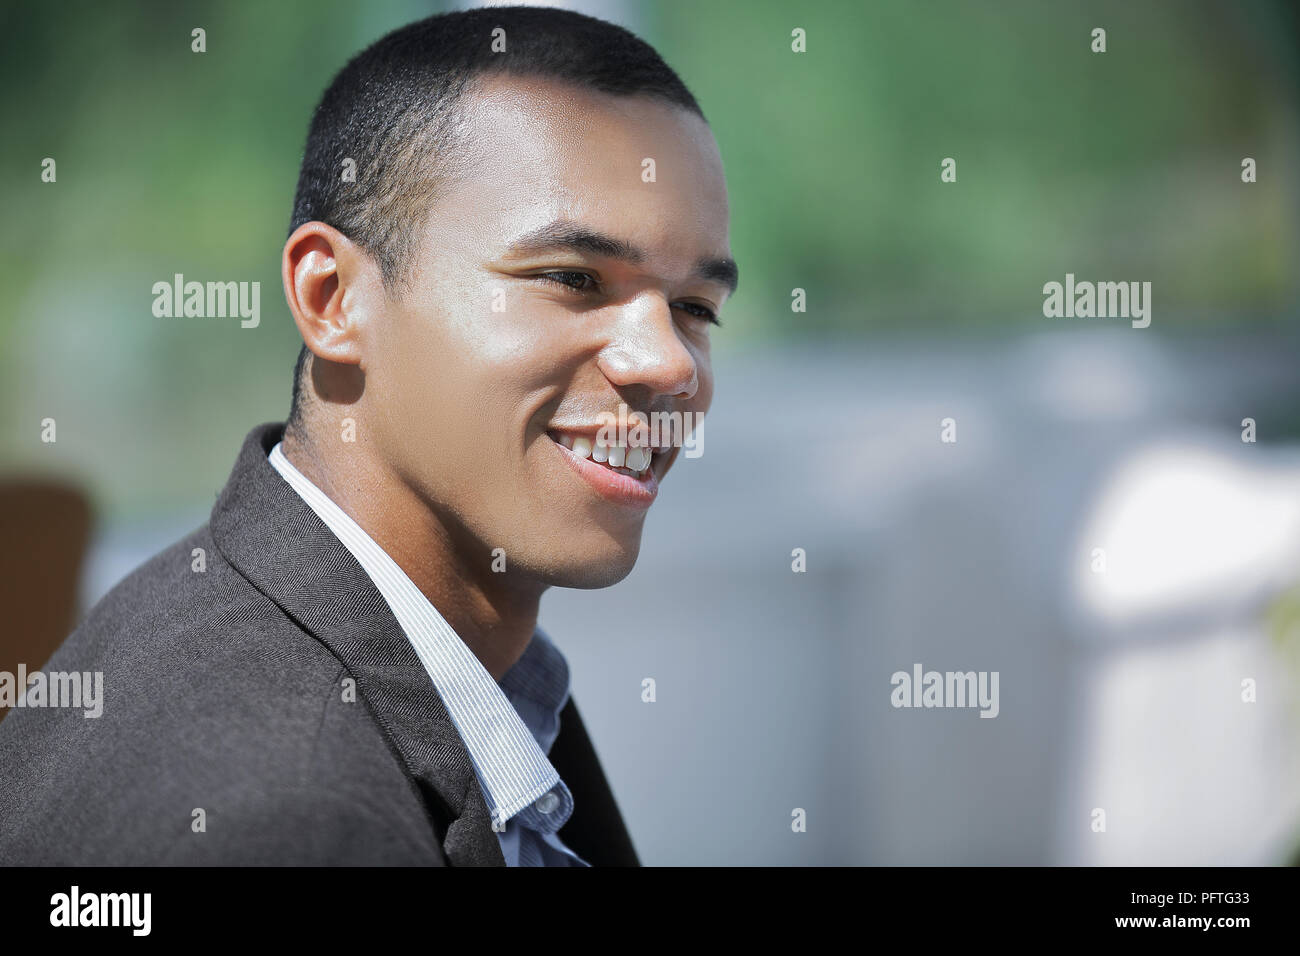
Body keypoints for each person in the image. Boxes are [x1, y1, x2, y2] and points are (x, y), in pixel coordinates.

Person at [0, 4, 736, 866]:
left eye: (695, 307)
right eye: (573, 278)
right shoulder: (282, 822)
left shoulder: (479, 677)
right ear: (332, 298)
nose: (668, 364)